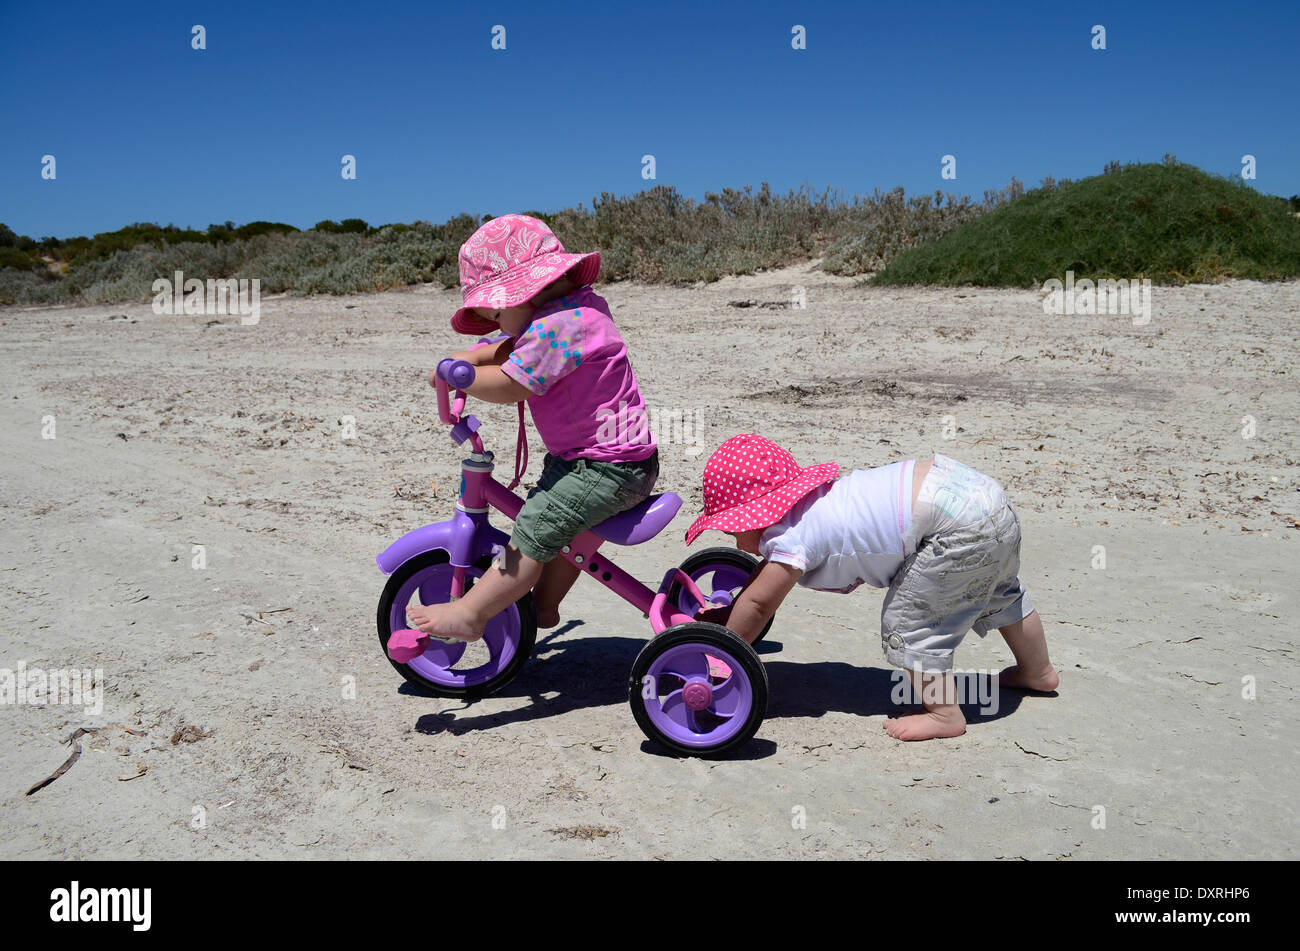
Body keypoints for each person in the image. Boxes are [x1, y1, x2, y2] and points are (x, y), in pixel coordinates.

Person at [685, 434, 1058, 741]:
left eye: (732, 529)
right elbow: (758, 589)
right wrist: (728, 614)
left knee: (912, 620)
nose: (735, 542)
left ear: (759, 516)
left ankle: (944, 713)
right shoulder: (814, 504)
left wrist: (723, 649)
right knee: (1001, 592)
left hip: (953, 531)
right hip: (980, 498)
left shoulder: (792, 537)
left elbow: (760, 604)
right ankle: (1037, 672)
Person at [403, 214, 658, 641]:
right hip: (601, 461)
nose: (497, 323)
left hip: (604, 471)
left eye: (497, 311)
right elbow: (512, 345)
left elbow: (511, 382)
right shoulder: (577, 308)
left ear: (525, 293)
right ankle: (542, 605)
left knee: (534, 529)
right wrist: (470, 356)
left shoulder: (559, 327)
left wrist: (461, 376)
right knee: (559, 530)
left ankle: (470, 613)